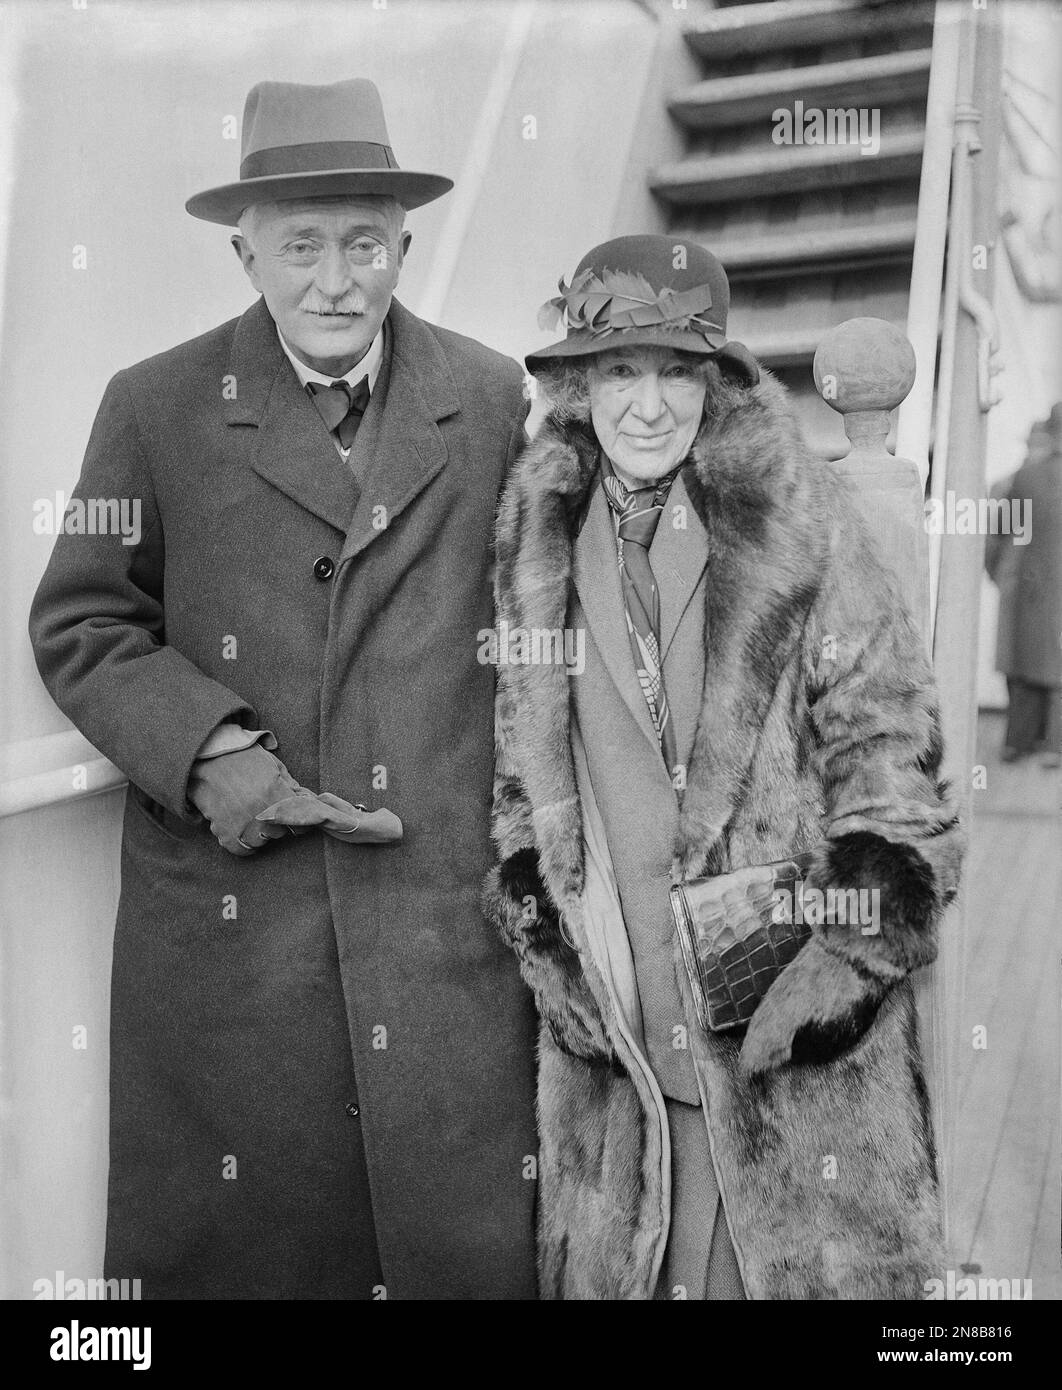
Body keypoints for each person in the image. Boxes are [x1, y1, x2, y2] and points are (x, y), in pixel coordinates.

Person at [28, 78, 537, 1299]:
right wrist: (212, 753)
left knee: (452, 1254)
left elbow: (543, 620)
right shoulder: (152, 405)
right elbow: (82, 616)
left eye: (364, 242)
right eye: (300, 244)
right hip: (235, 937)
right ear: (245, 246)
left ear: (403, 246)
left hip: (437, 926)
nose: (334, 278)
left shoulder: (497, 398)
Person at [485, 235, 964, 1299]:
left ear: (716, 380)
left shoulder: (803, 523)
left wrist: (840, 959)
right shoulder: (536, 533)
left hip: (788, 1065)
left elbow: (891, 758)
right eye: (620, 370)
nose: (648, 405)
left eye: (675, 371)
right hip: (622, 1058)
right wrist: (550, 945)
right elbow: (519, 776)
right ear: (578, 386)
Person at [986, 411, 1062, 767]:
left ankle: (1029, 742)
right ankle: (1037, 743)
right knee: (1031, 670)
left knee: (1030, 670)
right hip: (1027, 590)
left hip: (1027, 590)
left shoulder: (1023, 480)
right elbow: (996, 538)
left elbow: (996, 538)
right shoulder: (1017, 481)